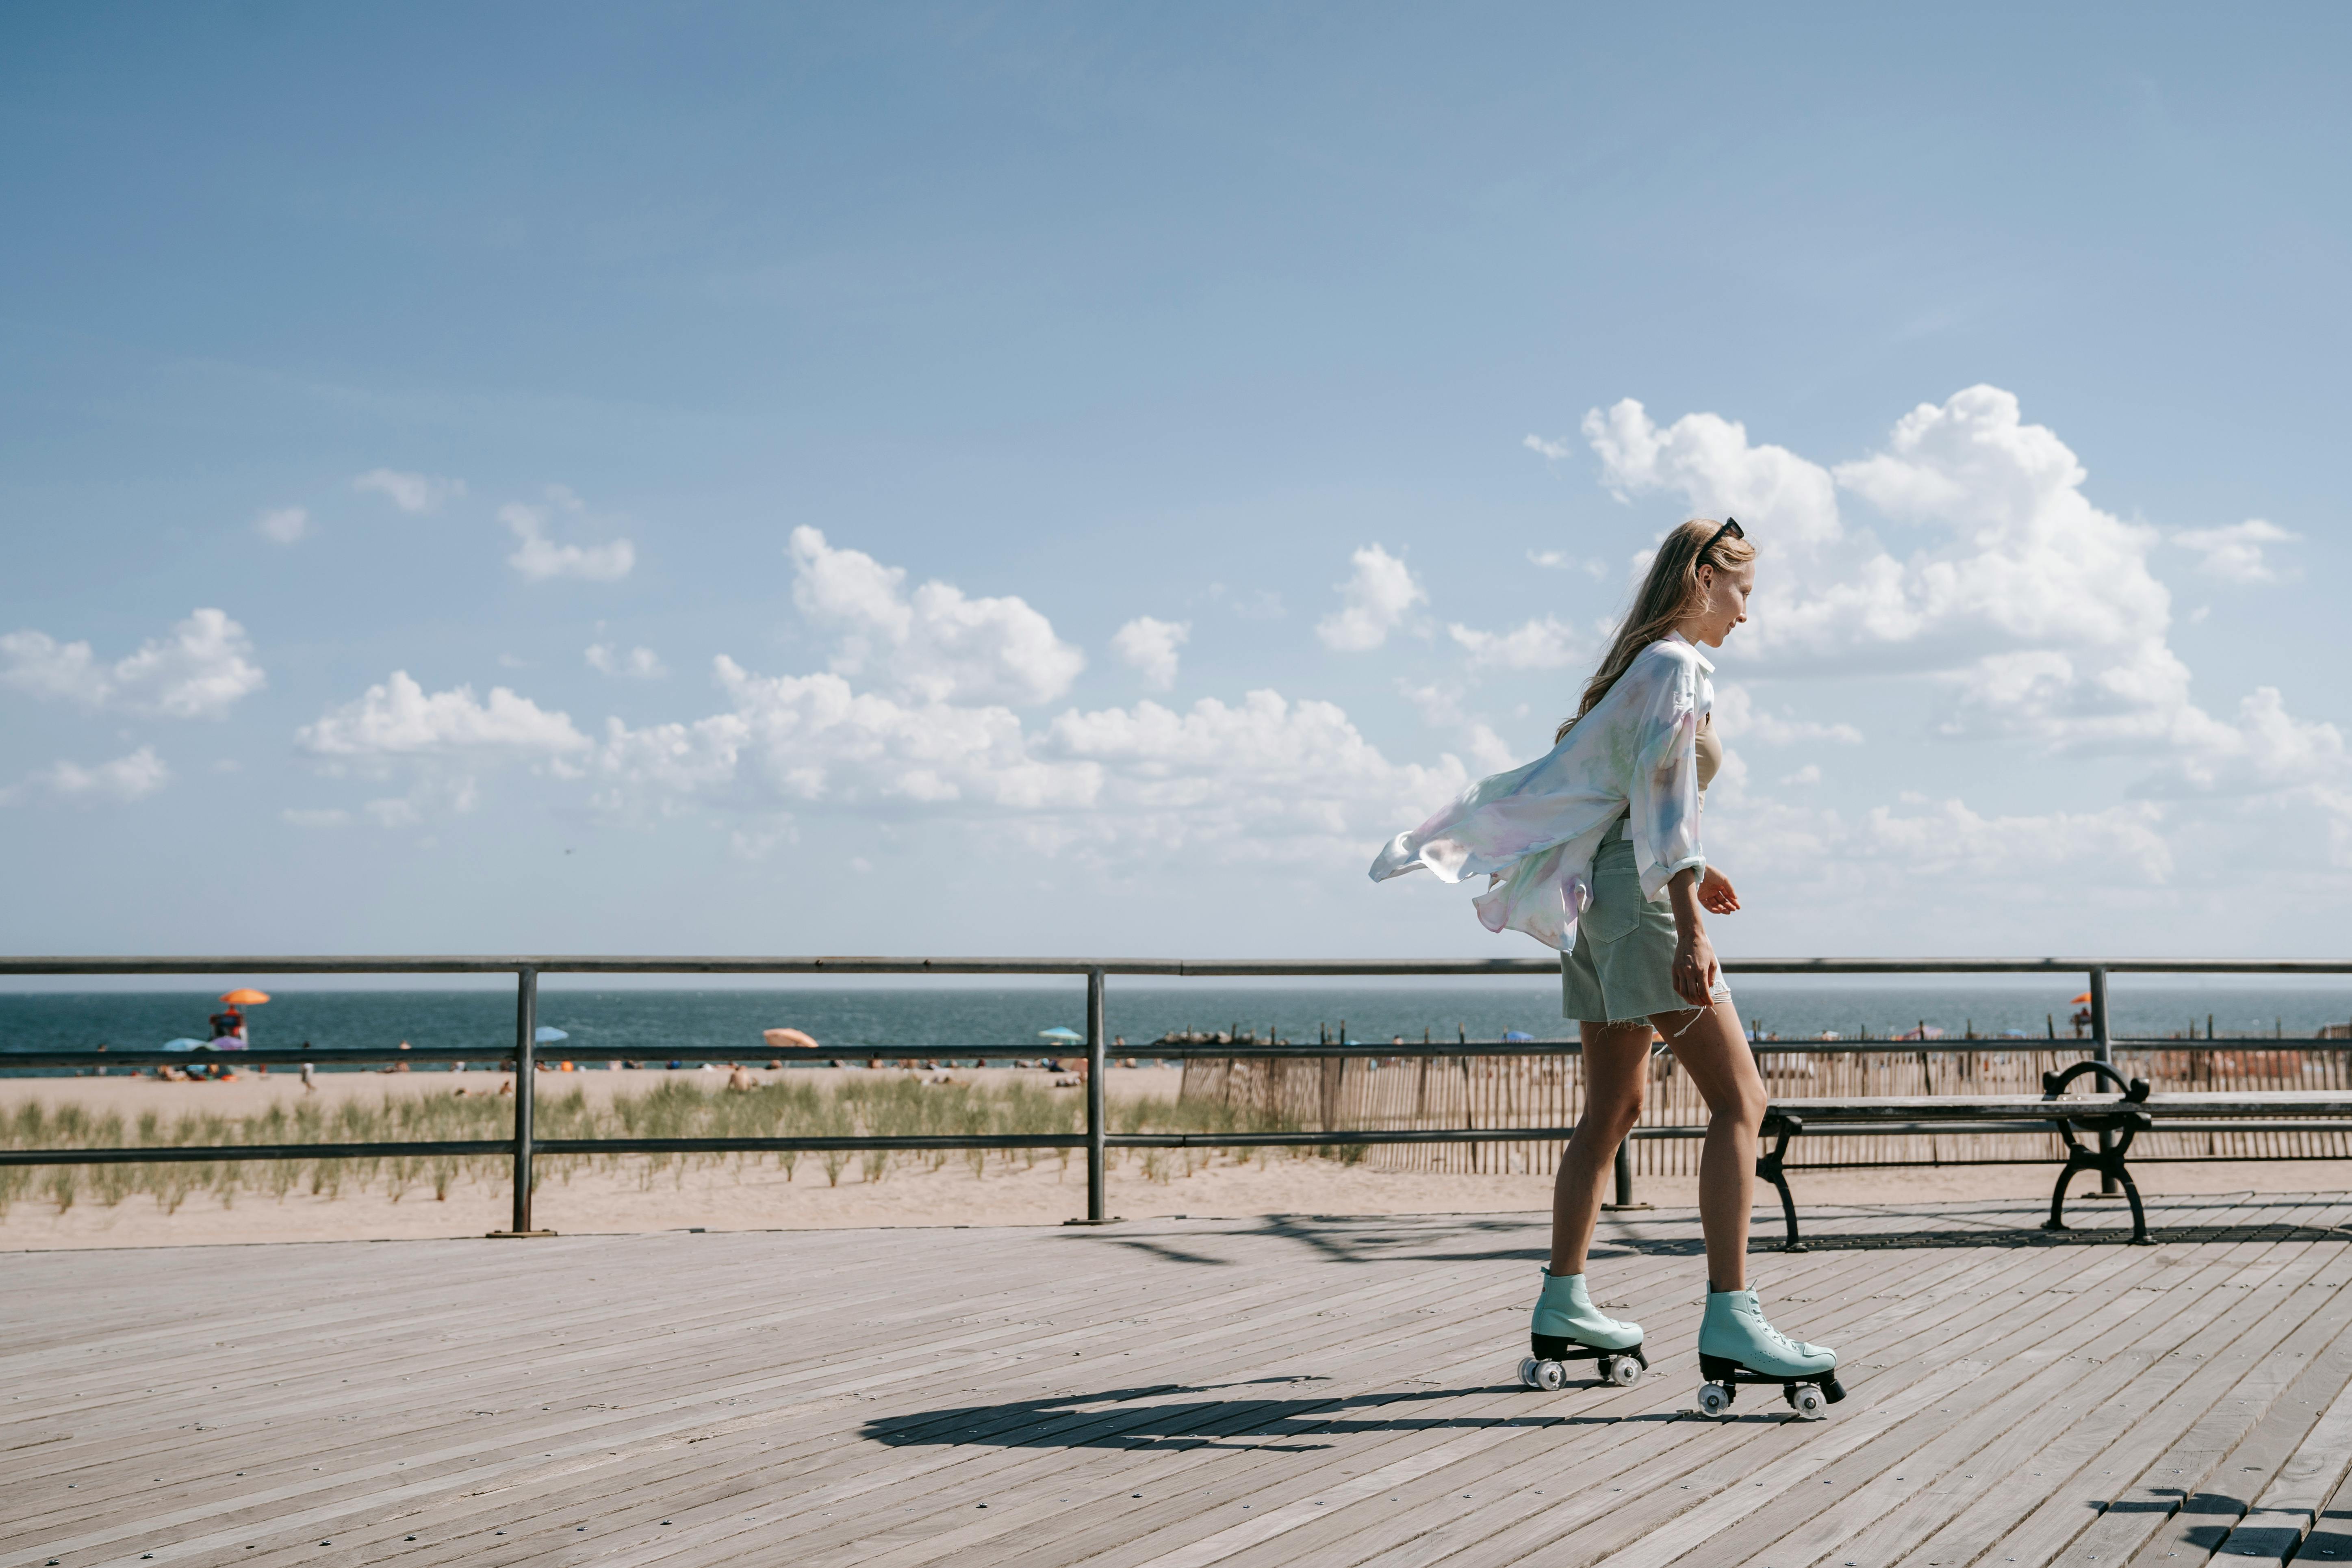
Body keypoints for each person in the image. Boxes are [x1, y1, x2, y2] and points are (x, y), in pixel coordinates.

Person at [1371, 518, 1840, 1414]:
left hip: (1608, 894)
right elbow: (1662, 798)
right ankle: (1732, 1319)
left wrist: (1700, 866)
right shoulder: (1672, 667)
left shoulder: (1646, 668)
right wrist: (1690, 917)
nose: (1747, 613)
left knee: (1614, 1106)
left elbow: (1630, 791)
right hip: (1640, 904)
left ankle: (1563, 1303)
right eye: (1743, 589)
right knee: (1741, 1101)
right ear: (1705, 576)